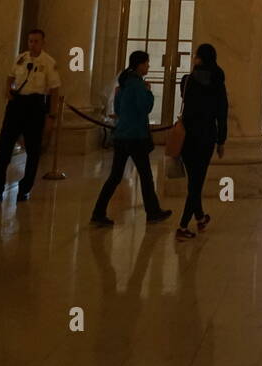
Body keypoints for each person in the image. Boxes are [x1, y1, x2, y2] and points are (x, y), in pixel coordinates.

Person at [90, 51, 171, 227]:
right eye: (147, 63)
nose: (148, 66)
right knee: (145, 175)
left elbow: (118, 109)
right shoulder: (137, 84)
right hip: (135, 136)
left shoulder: (124, 83)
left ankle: (98, 211)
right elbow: (145, 107)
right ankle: (153, 212)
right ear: (140, 64)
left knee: (115, 176)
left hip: (121, 135)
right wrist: (149, 92)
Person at [0, 28, 61, 204]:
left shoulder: (49, 62)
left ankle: (25, 189)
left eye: (36, 41)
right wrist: (8, 90)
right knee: (3, 148)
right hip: (17, 105)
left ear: (43, 43)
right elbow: (10, 76)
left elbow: (55, 90)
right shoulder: (21, 58)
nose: (33, 44)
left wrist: (51, 116)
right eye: (30, 41)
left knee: (33, 151)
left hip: (35, 106)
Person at [175, 42, 227, 242]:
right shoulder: (218, 83)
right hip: (206, 136)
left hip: (188, 135)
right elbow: (221, 114)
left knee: (193, 182)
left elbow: (186, 100)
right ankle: (182, 226)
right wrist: (221, 140)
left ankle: (200, 217)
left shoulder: (187, 80)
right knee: (196, 183)